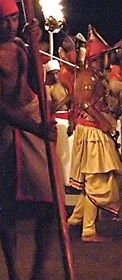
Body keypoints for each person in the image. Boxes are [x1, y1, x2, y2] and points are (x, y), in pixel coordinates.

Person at [0, 0, 57, 279]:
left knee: (51, 205)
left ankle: (38, 271)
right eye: (4, 21)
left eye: (14, 18)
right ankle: (13, 273)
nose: (11, 25)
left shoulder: (22, 45)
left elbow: (35, 82)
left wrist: (34, 47)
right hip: (11, 129)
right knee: (8, 207)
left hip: (34, 120)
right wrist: (35, 128)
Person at [67, 29, 122, 242]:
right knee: (98, 179)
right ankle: (88, 230)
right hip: (92, 131)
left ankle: (75, 220)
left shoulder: (98, 76)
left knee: (96, 179)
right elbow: (84, 102)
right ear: (96, 58)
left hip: (95, 129)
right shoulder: (86, 75)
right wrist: (101, 121)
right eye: (105, 55)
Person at [45, 59, 72, 186]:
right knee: (60, 153)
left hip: (68, 120)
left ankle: (69, 181)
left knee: (69, 153)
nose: (55, 76)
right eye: (53, 74)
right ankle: (61, 181)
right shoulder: (48, 88)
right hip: (58, 120)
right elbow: (51, 108)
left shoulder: (64, 86)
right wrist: (67, 99)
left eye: (57, 73)